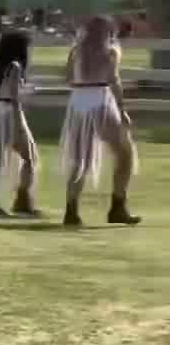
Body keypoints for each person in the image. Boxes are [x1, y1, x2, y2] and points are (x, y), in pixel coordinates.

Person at [60, 14, 139, 227]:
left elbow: (67, 78)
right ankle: (118, 205)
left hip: (78, 102)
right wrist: (122, 110)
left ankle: (71, 210)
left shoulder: (76, 52)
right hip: (100, 100)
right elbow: (113, 80)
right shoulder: (110, 51)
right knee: (125, 153)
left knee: (79, 160)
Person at [0, 31, 40, 218]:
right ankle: (22, 199)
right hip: (8, 111)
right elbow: (14, 95)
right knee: (29, 157)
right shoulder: (14, 66)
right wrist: (18, 121)